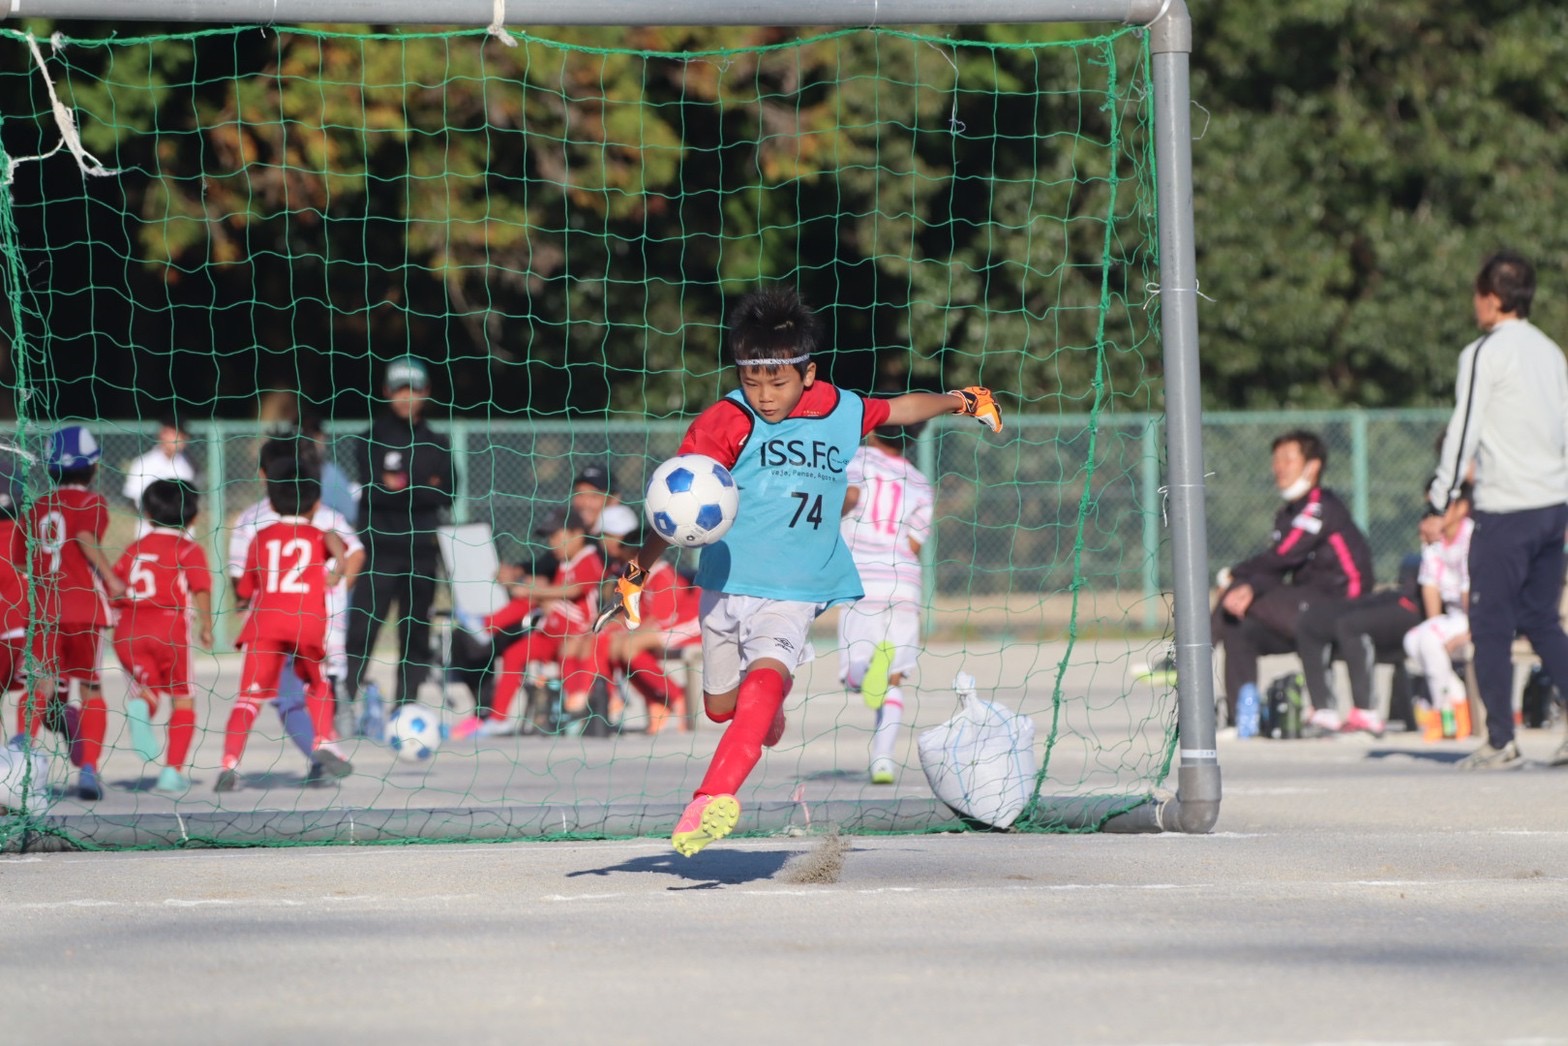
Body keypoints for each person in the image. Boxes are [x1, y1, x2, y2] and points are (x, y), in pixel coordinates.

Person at [595, 286, 1002, 857]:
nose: (764, 396)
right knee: (721, 708)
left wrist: (961, 400)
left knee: (764, 680)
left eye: (777, 382)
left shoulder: (839, 409)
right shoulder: (725, 421)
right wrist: (635, 574)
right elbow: (680, 511)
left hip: (795, 589)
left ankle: (711, 798)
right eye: (751, 381)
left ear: (808, 374)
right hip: (725, 586)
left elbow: (901, 408)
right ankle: (765, 714)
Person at [1423, 249, 1568, 771]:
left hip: (1506, 509)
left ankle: (1500, 741)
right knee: (1541, 618)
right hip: (1553, 506)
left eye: (1478, 295)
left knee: (1490, 623)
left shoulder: (1484, 352)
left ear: (1492, 298)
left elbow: (1464, 428)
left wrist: (1440, 498)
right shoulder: (1550, 351)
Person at [1212, 430, 1374, 732]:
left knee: (1234, 591)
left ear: (1312, 466)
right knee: (1239, 626)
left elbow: (1283, 555)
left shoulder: (1319, 506)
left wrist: (1236, 577)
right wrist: (1247, 586)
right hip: (1306, 606)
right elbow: (1274, 570)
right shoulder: (1288, 513)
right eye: (1276, 460)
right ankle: (1241, 718)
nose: (1279, 467)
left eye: (1288, 459)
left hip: (1341, 605)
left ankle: (1188, 658)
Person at [228, 437, 363, 780]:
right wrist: (338, 583)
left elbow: (239, 575)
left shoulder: (251, 521)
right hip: (317, 621)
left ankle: (235, 762)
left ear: (263, 475)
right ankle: (327, 743)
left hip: (269, 621)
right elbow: (355, 550)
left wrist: (243, 602)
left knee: (280, 699)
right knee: (318, 684)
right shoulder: (322, 512)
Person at [17, 426, 127, 801]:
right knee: (91, 687)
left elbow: (22, 560)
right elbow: (83, 537)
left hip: (44, 609)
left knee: (40, 686)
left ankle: (20, 758)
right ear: (94, 467)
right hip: (84, 609)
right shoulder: (93, 502)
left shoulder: (35, 506)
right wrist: (111, 578)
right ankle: (89, 771)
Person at [345, 356, 455, 710]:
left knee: (415, 634)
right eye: (400, 390)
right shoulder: (371, 438)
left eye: (414, 390)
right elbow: (374, 492)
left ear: (426, 392)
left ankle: (405, 706)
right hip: (379, 549)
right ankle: (343, 701)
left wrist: (402, 487)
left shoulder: (437, 441)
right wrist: (423, 486)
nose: (407, 398)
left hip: (421, 551)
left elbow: (448, 492)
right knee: (363, 630)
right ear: (386, 392)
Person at [450, 506, 605, 738]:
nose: (552, 542)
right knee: (514, 654)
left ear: (577, 534)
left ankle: (487, 625)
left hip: (576, 632)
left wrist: (534, 592)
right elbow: (546, 586)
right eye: (549, 537)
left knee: (531, 597)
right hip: (550, 633)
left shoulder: (588, 558)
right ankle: (499, 719)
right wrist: (519, 581)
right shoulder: (563, 562)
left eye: (556, 535)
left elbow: (575, 590)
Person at [837, 422, 934, 783]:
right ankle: (883, 760)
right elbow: (915, 543)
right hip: (903, 581)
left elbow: (849, 497)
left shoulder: (857, 461)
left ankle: (863, 673)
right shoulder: (920, 482)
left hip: (862, 578)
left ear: (873, 431)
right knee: (895, 679)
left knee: (854, 674)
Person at [110, 480, 214, 794]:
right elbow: (201, 587)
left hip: (128, 630)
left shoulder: (133, 549)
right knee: (184, 698)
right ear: (193, 517)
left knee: (149, 688)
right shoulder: (188, 548)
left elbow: (114, 588)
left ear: (146, 513)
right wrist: (206, 625)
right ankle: (172, 771)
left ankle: (142, 706)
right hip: (169, 629)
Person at [1405, 483, 1475, 742]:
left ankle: (1440, 710)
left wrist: (1470, 633)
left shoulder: (1471, 537)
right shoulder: (1436, 541)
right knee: (1414, 639)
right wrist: (1435, 627)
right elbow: (1430, 586)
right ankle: (1457, 702)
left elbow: (1472, 593)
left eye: (1442, 508)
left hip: (1479, 616)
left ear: (1462, 508)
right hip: (1454, 617)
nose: (1434, 514)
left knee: (1429, 639)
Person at [122, 414, 197, 533]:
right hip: (150, 530)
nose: (182, 440)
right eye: (177, 435)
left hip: (181, 531)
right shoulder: (143, 463)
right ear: (163, 434)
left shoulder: (187, 465)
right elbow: (133, 498)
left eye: (184, 436)